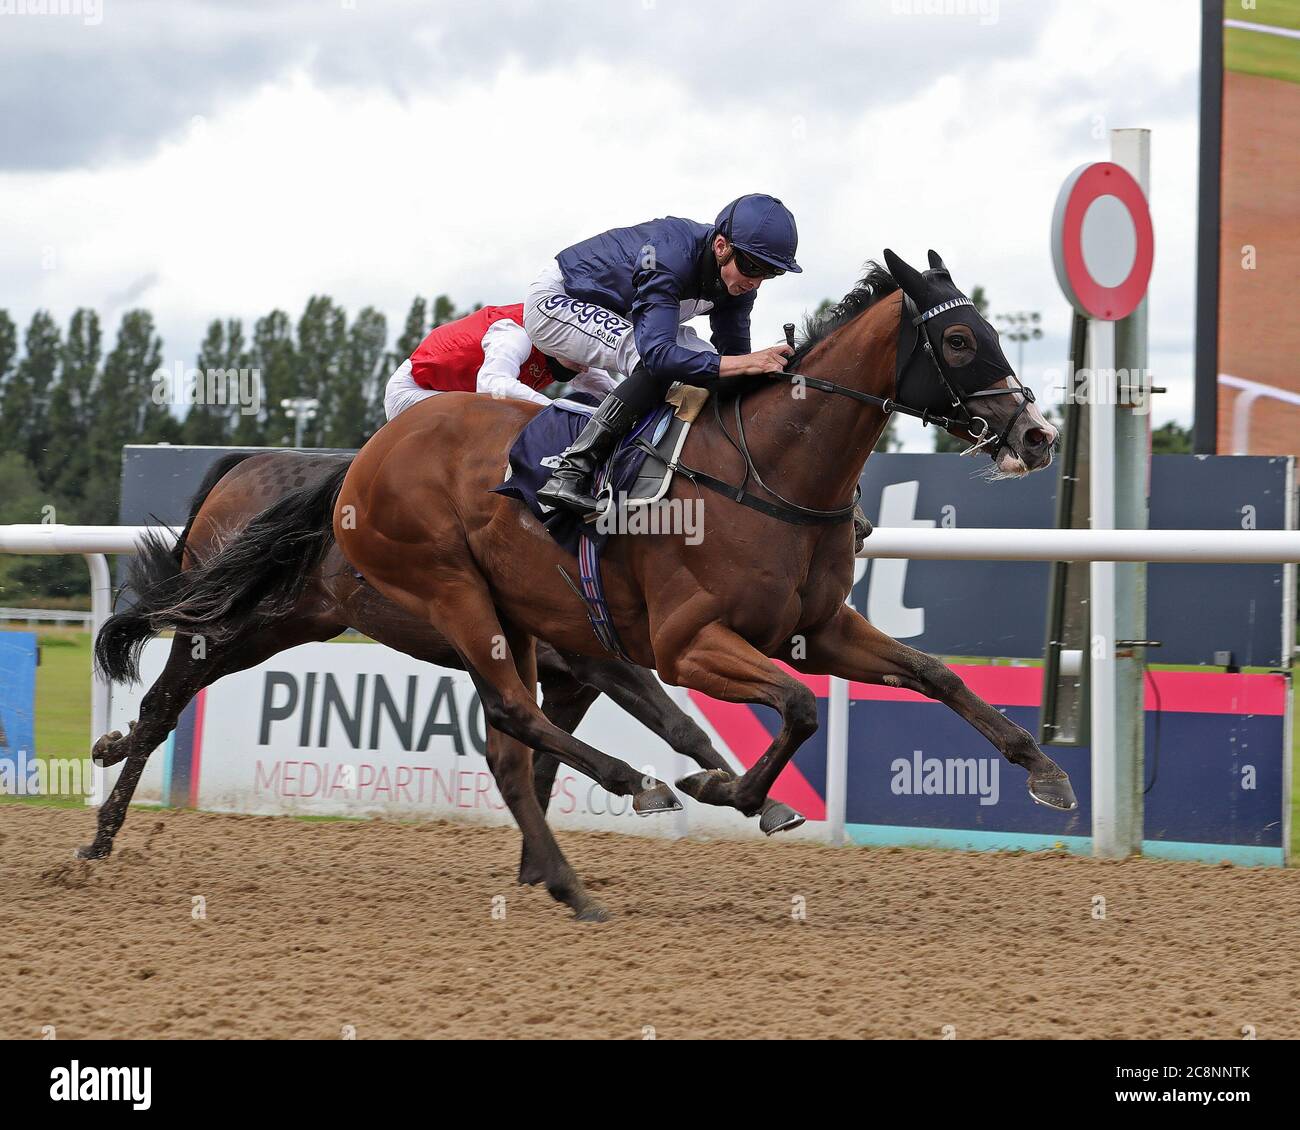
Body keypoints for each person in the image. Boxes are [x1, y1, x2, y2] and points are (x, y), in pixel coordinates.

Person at [524, 193, 801, 515]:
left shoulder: (738, 285)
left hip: (625, 313)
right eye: (752, 266)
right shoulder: (669, 254)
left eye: (770, 273)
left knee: (722, 371)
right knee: (659, 363)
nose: (755, 282)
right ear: (722, 246)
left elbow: (732, 363)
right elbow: (658, 356)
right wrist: (742, 363)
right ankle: (571, 471)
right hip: (559, 300)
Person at [382, 302, 615, 421]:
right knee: (496, 413)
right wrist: (564, 412)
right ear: (558, 341)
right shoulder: (515, 334)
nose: (585, 368)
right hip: (412, 393)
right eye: (580, 360)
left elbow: (611, 392)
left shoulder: (567, 345)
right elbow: (492, 386)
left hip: (462, 395)